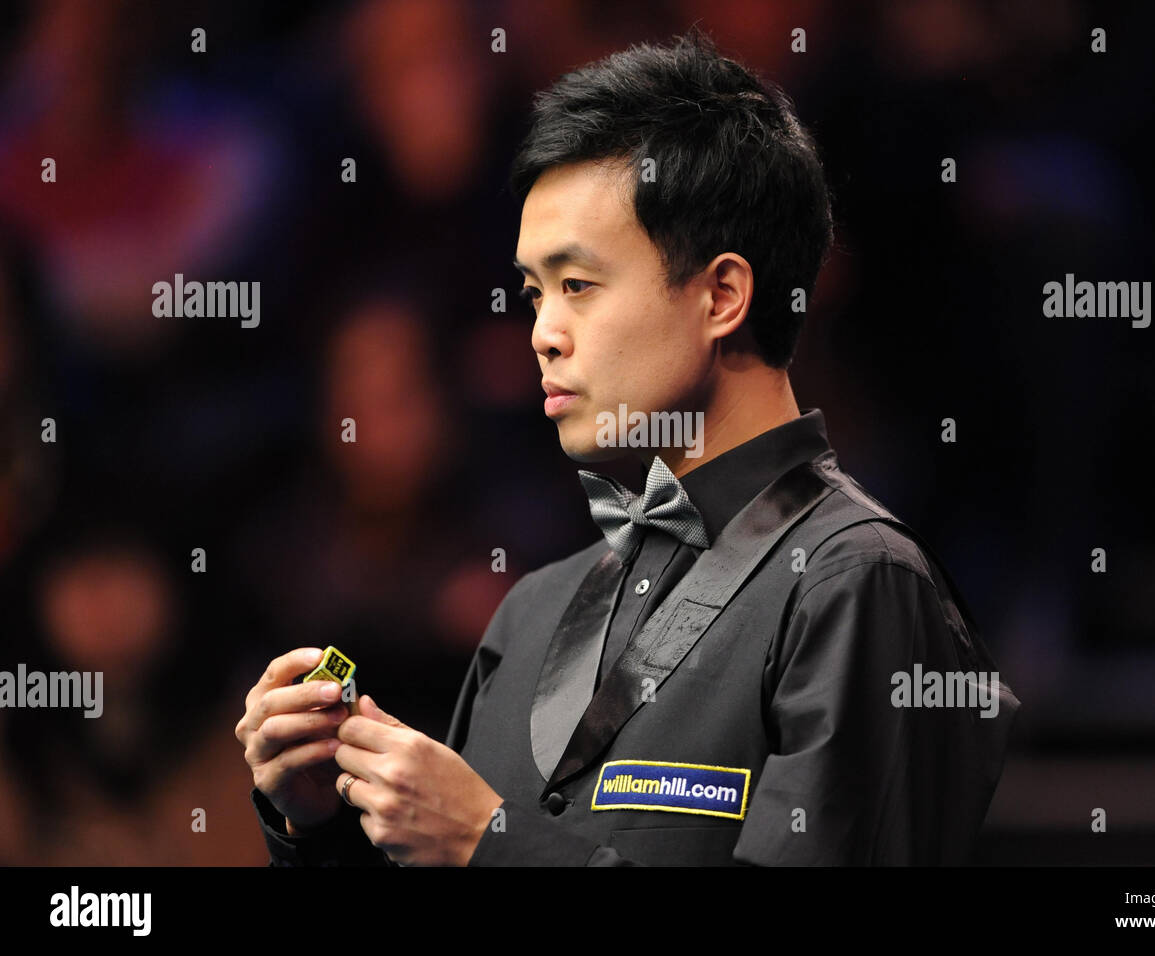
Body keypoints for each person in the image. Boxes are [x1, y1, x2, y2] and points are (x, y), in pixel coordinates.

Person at [235, 27, 1018, 866]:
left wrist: (486, 839)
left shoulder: (859, 586)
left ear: (722, 295)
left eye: (577, 286)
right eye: (533, 293)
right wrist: (315, 828)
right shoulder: (530, 611)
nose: (542, 333)